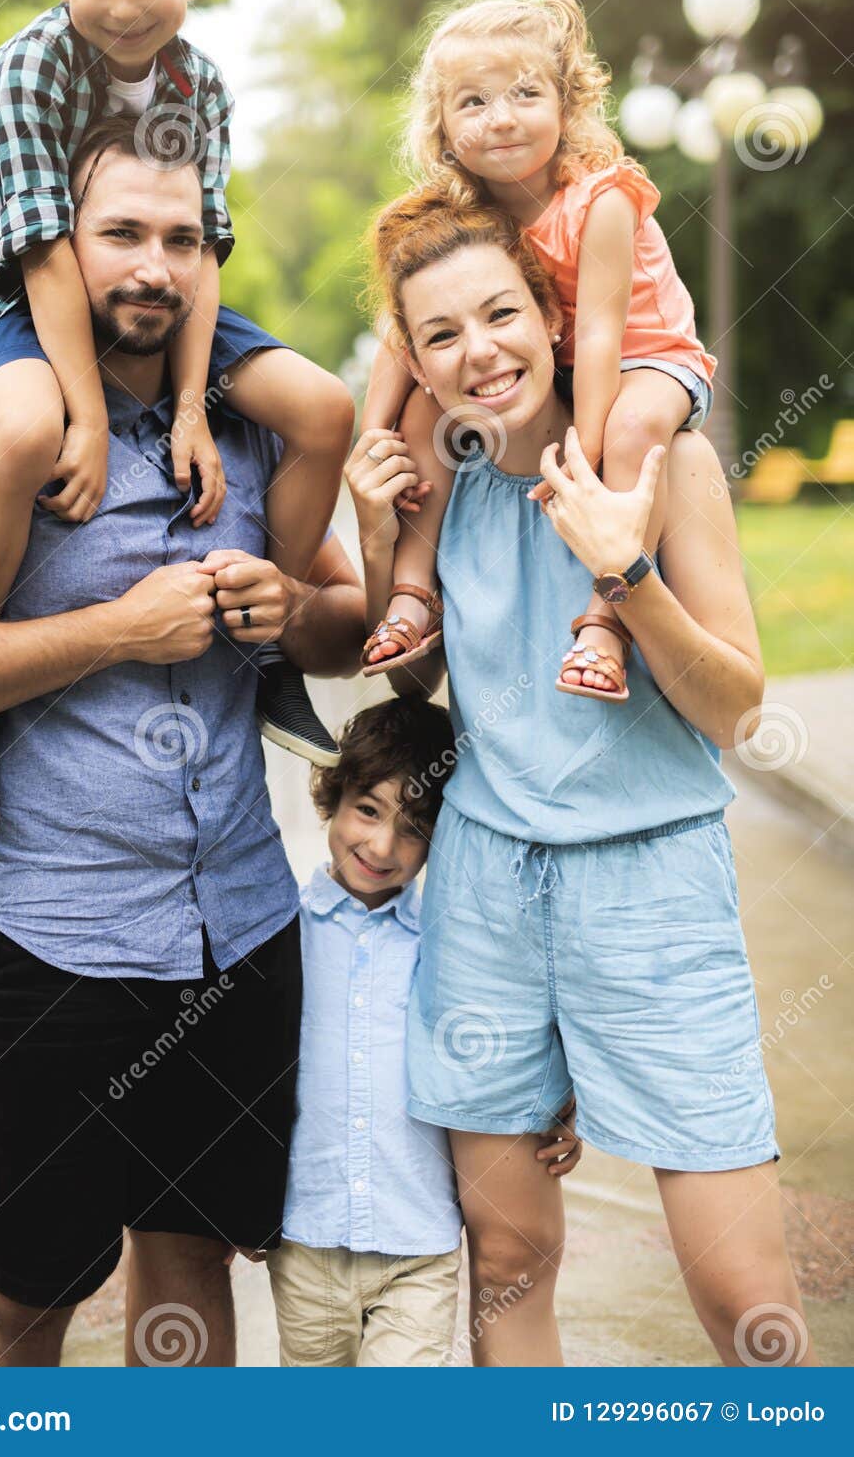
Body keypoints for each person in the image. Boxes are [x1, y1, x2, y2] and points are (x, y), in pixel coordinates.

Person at [0, 119, 366, 1369]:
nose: (154, 266)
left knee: (186, 1279)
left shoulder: (248, 433)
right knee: (31, 1290)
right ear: (58, 256)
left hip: (236, 931)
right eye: (120, 232)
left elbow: (341, 629)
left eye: (182, 239)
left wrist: (288, 613)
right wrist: (114, 628)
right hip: (45, 946)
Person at [344, 184, 816, 1369]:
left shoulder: (666, 463)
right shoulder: (442, 482)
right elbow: (409, 686)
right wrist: (371, 538)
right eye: (440, 334)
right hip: (487, 896)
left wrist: (628, 578)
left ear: (551, 314)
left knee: (741, 1299)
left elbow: (736, 706)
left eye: (498, 314)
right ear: (413, 359)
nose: (478, 352)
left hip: (649, 883)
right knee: (503, 1266)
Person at [0, 0, 355, 840]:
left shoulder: (195, 85)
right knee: (25, 432)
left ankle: (267, 650)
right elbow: (42, 255)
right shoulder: (26, 71)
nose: (124, 5)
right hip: (7, 295)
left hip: (151, 285)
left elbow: (196, 254)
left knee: (323, 408)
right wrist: (88, 418)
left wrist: (193, 407)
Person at [361, 0, 714, 707]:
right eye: (472, 102)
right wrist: (374, 435)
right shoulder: (465, 212)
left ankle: (605, 620)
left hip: (647, 357)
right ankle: (410, 592)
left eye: (525, 94)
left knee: (632, 426)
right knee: (428, 406)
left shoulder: (602, 198)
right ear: (441, 124)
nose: (500, 119)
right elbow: (402, 338)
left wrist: (582, 451)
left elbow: (599, 333)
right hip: (562, 356)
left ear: (566, 103)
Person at [267, 696, 581, 1366]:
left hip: (418, 1247)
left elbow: (508, 1040)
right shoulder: (277, 935)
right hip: (305, 1241)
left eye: (413, 828)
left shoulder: (448, 946)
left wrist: (554, 1106)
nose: (382, 846)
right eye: (367, 810)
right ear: (332, 797)